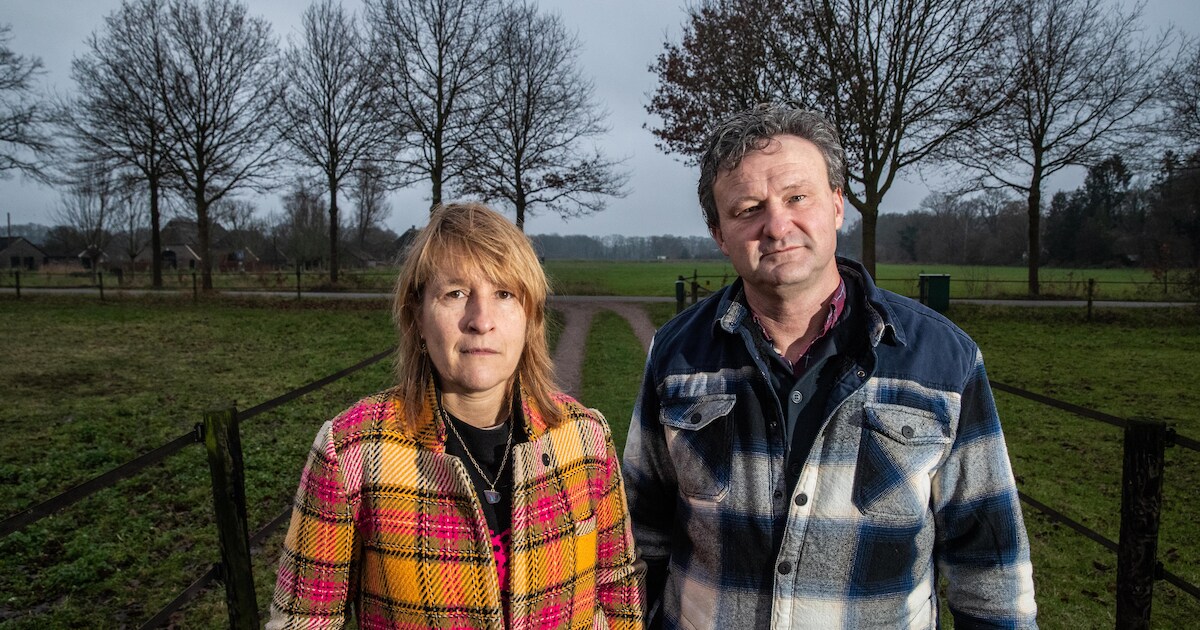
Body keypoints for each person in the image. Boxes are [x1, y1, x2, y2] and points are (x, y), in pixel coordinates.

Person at [622, 104, 1038, 629]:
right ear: (718, 232)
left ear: (837, 206)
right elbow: (639, 541)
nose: (777, 226)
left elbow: (992, 576)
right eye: (748, 208)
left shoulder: (942, 361)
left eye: (798, 197)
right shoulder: (676, 355)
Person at [268, 203, 643, 629]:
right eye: (456, 294)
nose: (481, 321)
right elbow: (303, 620)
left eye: (504, 294)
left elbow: (617, 594)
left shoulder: (586, 440)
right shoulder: (351, 453)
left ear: (530, 317)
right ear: (418, 319)